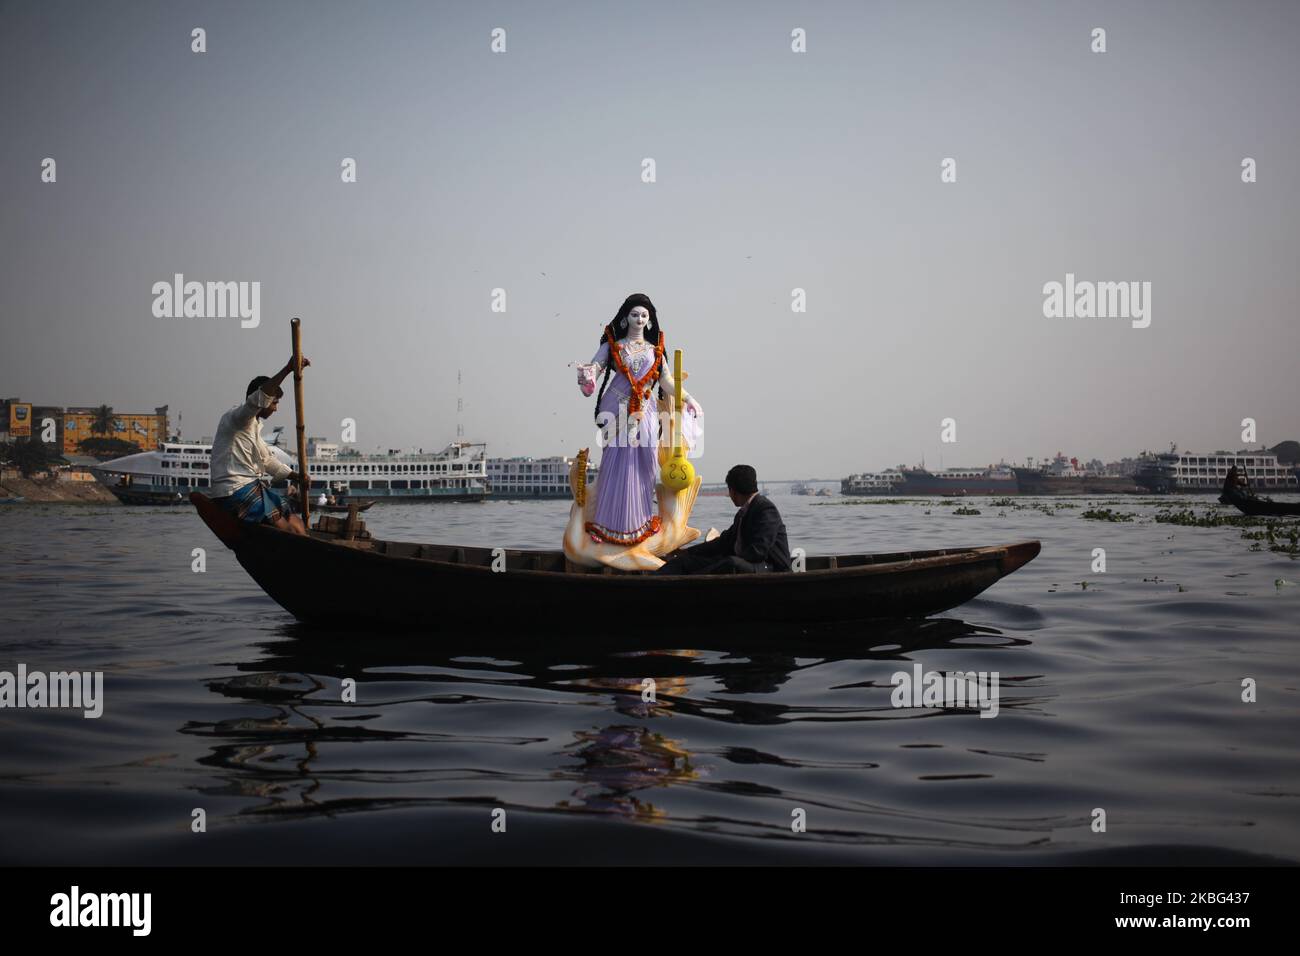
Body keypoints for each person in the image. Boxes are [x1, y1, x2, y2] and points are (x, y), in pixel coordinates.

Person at [575, 293, 702, 545]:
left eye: (644, 315)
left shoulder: (656, 350)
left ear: (650, 320)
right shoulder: (613, 346)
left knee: (645, 462)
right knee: (616, 461)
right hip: (618, 408)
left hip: (645, 409)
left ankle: (640, 523)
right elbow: (596, 369)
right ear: (625, 317)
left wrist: (689, 398)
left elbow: (666, 380)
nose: (640, 319)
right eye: (635, 314)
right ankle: (607, 525)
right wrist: (588, 376)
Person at [209, 355, 311, 534]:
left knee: (294, 520)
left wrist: (297, 477)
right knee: (285, 529)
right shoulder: (238, 417)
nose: (275, 408)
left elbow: (267, 460)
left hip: (250, 486)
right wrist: (287, 370)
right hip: (234, 490)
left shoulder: (254, 426)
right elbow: (258, 399)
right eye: (274, 403)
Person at [656, 465, 791, 574]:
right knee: (683, 562)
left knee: (730, 562)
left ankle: (693, 581)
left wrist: (721, 560)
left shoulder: (765, 509)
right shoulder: (744, 513)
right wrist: (685, 553)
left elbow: (758, 552)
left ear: (733, 491)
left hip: (771, 569)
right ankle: (651, 582)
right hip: (744, 564)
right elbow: (722, 543)